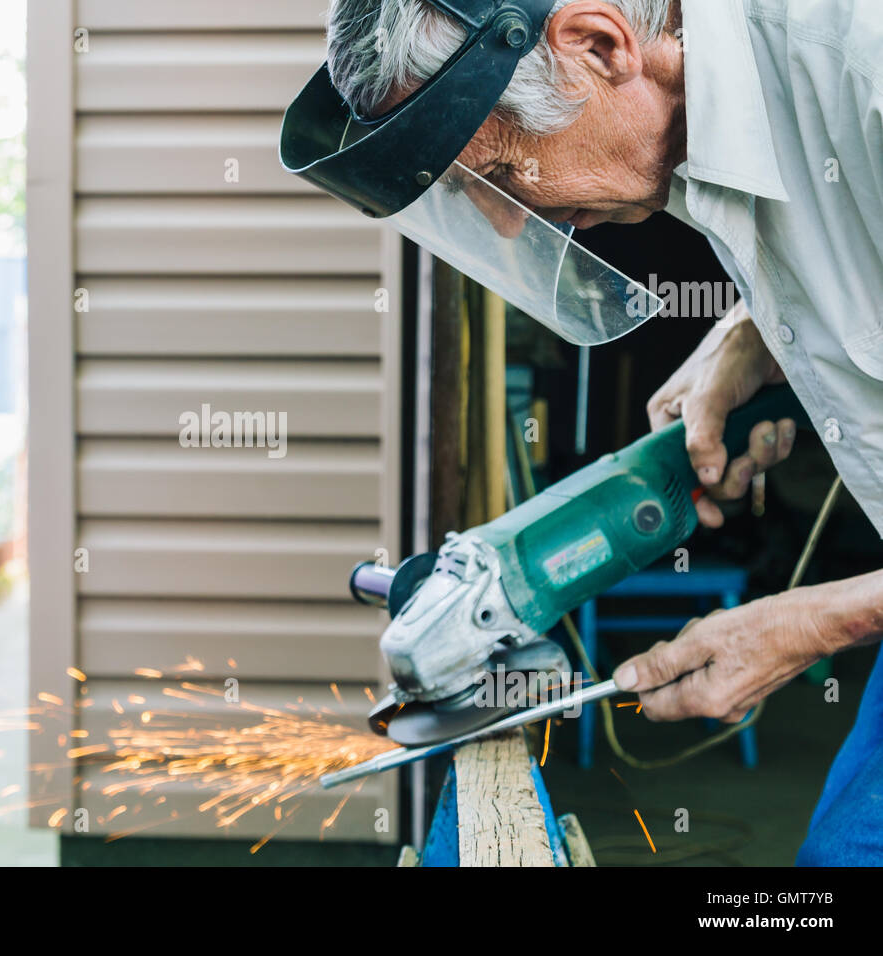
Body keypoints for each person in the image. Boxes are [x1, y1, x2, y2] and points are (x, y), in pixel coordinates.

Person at [325, 0, 883, 863]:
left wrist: (815, 625)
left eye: (506, 177)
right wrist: (754, 333)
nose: (511, 223)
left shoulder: (863, 65)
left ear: (597, 44)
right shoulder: (686, 106)